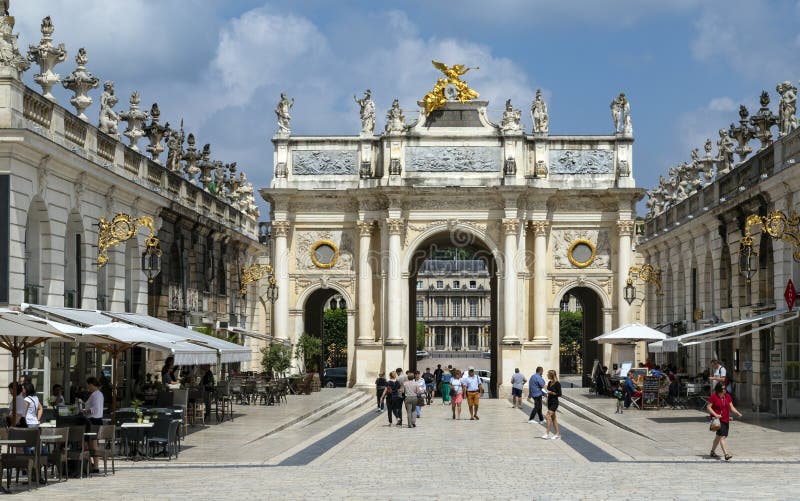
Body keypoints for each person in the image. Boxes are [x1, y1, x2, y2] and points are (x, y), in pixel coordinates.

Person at [707, 381, 742, 461]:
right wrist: (715, 414)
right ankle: (726, 454)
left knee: (718, 437)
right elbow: (708, 407)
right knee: (722, 437)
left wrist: (737, 413)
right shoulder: (714, 397)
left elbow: (731, 407)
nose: (724, 390)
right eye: (722, 389)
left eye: (725, 388)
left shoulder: (727, 396)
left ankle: (712, 452)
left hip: (726, 419)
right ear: (719, 389)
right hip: (718, 420)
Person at [82, 377, 104, 473]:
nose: (88, 387)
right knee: (92, 443)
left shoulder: (95, 395)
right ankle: (93, 465)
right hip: (97, 420)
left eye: (88, 385)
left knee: (92, 444)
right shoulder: (99, 394)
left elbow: (95, 409)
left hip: (93, 421)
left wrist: (84, 411)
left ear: (91, 384)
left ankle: (94, 466)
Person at [542, 370, 561, 440]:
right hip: (549, 402)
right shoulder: (549, 382)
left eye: (548, 374)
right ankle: (558, 434)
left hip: (554, 403)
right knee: (554, 419)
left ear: (551, 375)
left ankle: (547, 433)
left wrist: (552, 393)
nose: (547, 375)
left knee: (547, 417)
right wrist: (545, 390)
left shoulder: (557, 383)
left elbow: (560, 394)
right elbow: (548, 390)